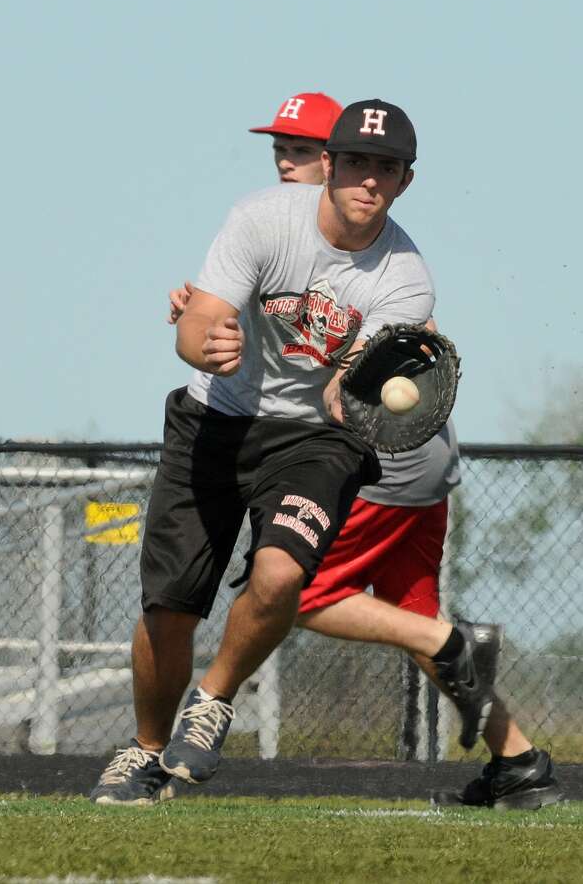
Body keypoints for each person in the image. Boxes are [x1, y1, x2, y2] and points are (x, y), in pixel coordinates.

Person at [165, 92, 563, 811]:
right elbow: (237, 314)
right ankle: (520, 761)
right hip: (418, 463)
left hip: (384, 457)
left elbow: (337, 398)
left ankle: (453, 640)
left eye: (299, 149)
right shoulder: (272, 226)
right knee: (417, 624)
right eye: (281, 150)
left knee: (297, 592)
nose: (288, 163)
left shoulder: (387, 262)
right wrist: (204, 320)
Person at [90, 98, 461, 806]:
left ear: (406, 181)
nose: (369, 180)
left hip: (315, 439)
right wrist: (199, 339)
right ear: (329, 165)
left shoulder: (406, 278)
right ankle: (143, 750)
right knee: (169, 608)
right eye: (356, 162)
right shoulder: (263, 219)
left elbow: (347, 395)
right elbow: (200, 314)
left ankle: (215, 699)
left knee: (282, 573)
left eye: (387, 168)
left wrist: (351, 388)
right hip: (214, 417)